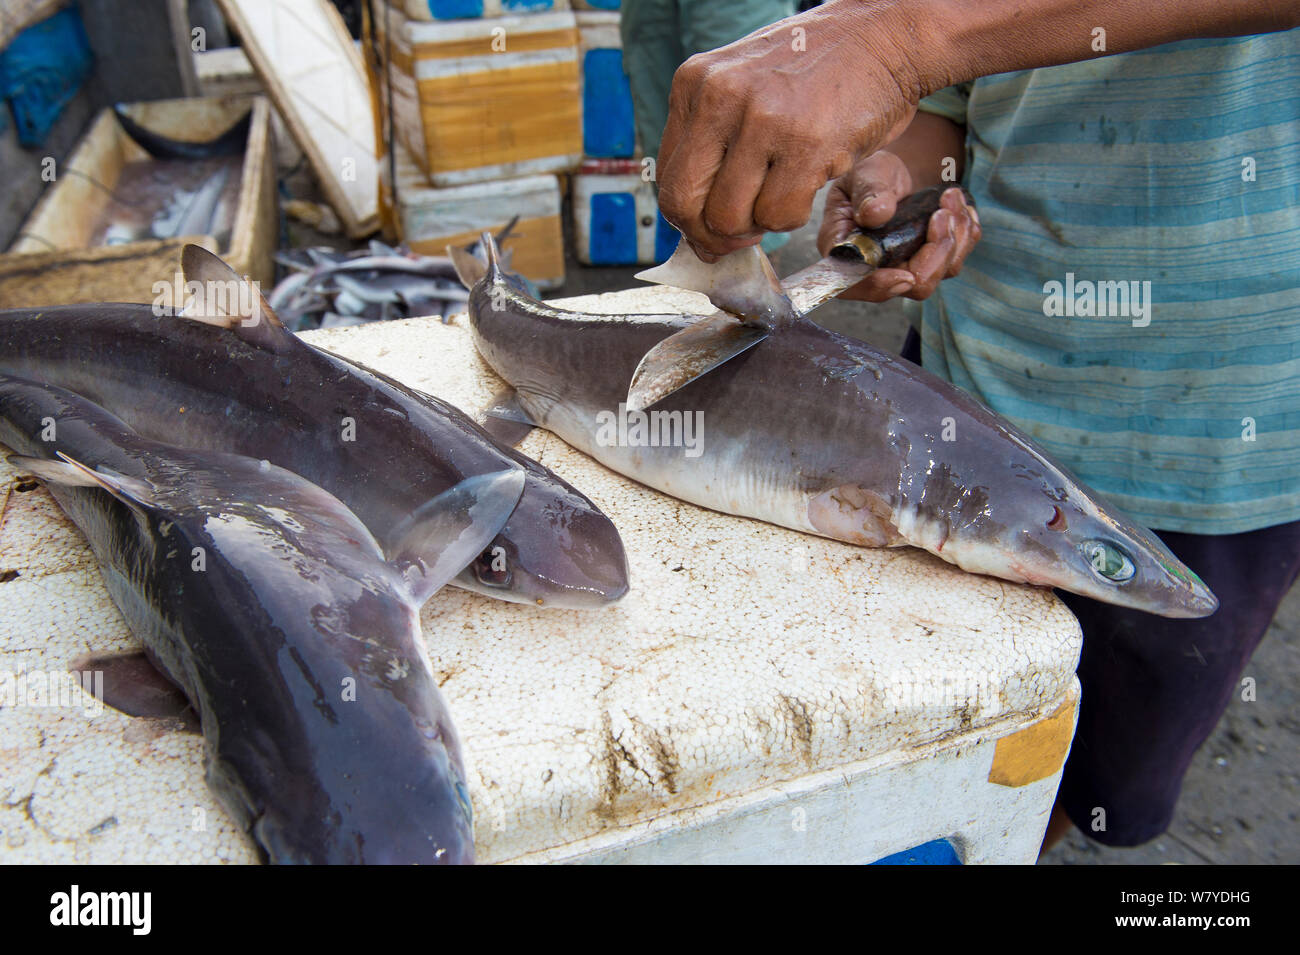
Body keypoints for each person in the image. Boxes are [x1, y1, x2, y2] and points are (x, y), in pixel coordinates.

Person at [654, 0, 1300, 852]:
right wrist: (907, 180)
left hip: (1230, 431)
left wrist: (895, 37)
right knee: (915, 718)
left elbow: (930, 43)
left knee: (1113, 756)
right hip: (965, 385)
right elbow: (952, 106)